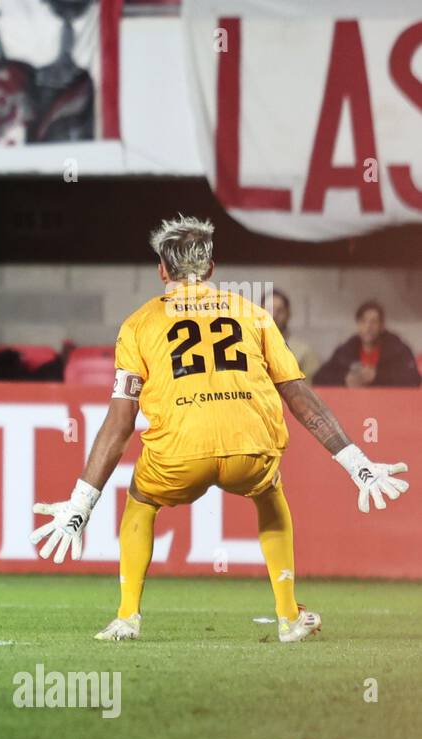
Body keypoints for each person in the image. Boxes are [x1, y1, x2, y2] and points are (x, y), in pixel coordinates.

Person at [30, 215, 409, 643]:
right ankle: (288, 616)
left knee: (140, 501)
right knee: (268, 492)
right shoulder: (253, 313)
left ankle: (127, 617)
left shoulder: (138, 324)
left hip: (180, 455)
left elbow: (120, 422)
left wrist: (82, 504)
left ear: (161, 269)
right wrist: (356, 462)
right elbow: (300, 397)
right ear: (210, 268)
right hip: (250, 449)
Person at [313, 300, 421, 388]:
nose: (368, 327)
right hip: (354, 405)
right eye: (363, 321)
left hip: (389, 405)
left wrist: (377, 377)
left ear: (382, 325)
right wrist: (345, 380)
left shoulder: (398, 350)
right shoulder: (346, 351)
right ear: (358, 324)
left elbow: (413, 380)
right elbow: (319, 378)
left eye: (374, 322)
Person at [266, 288, 320, 376]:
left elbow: (312, 387)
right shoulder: (250, 350)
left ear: (288, 314)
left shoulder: (304, 353)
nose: (274, 315)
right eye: (268, 310)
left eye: (280, 311)